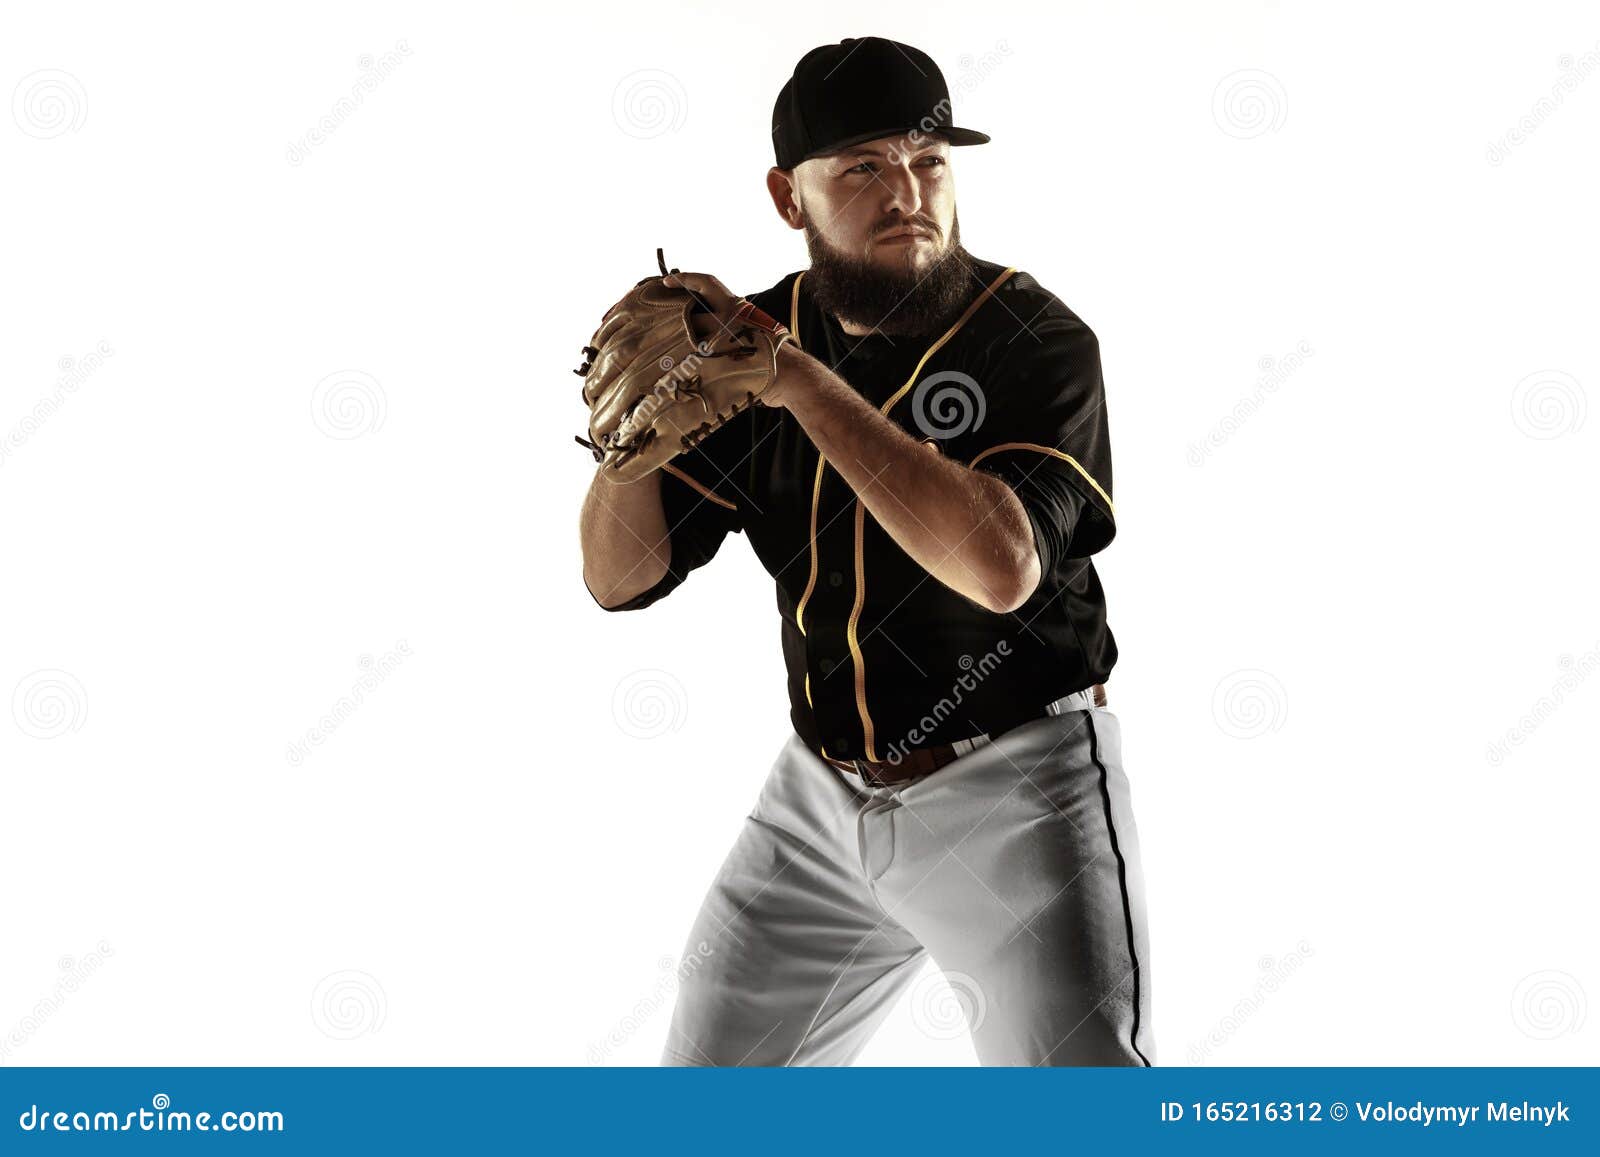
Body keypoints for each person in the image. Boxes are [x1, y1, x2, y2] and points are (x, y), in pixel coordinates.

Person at [578, 36, 1153, 1066]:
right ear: (786, 198)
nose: (907, 193)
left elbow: (1002, 567)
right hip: (817, 796)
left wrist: (800, 384)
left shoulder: (1034, 341)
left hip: (1019, 785)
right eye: (862, 168)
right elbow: (616, 578)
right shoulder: (746, 345)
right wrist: (625, 450)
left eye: (928, 161)